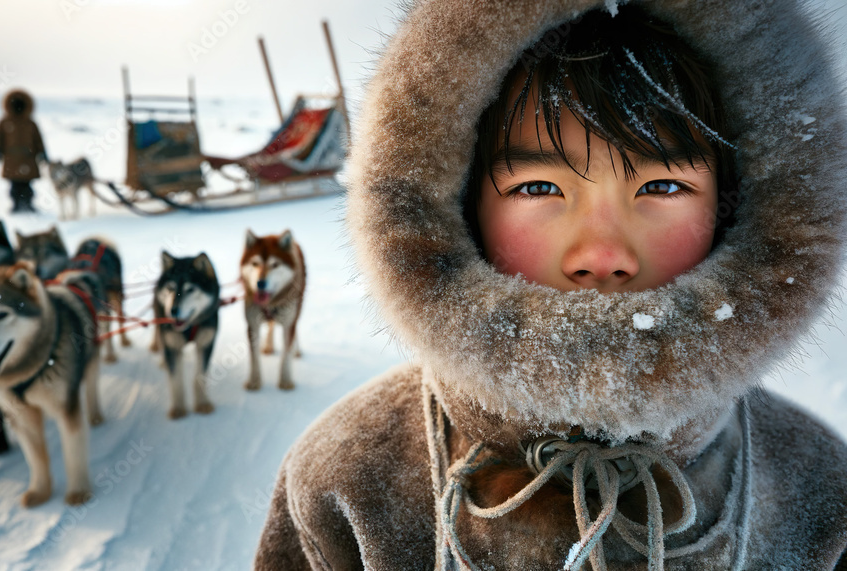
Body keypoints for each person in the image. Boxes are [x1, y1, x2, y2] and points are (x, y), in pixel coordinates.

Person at [254, 1, 847, 569]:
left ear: (736, 208)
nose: (603, 254)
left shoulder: (819, 489)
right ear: (460, 209)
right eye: (538, 189)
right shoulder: (347, 477)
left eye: (661, 187)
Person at [0, 89, 47, 213]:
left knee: (26, 185)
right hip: (11, 158)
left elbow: (38, 140)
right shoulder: (5, 122)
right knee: (15, 185)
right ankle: (16, 204)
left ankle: (28, 204)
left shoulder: (30, 123)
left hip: (27, 158)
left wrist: (42, 153)